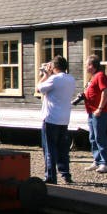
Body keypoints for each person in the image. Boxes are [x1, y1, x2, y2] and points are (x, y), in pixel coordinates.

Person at [36, 55, 76, 184]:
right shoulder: (71, 79)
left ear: (54, 67)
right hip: (64, 118)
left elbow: (38, 88)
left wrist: (45, 75)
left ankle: (50, 176)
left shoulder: (54, 79)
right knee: (63, 149)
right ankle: (66, 174)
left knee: (49, 148)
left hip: (51, 118)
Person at [83, 55, 107, 173]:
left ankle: (105, 163)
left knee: (100, 137)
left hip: (100, 112)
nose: (85, 67)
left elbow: (105, 91)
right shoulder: (92, 77)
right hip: (91, 111)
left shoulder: (100, 75)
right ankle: (97, 160)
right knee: (93, 137)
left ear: (91, 65)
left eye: (86, 64)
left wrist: (100, 108)